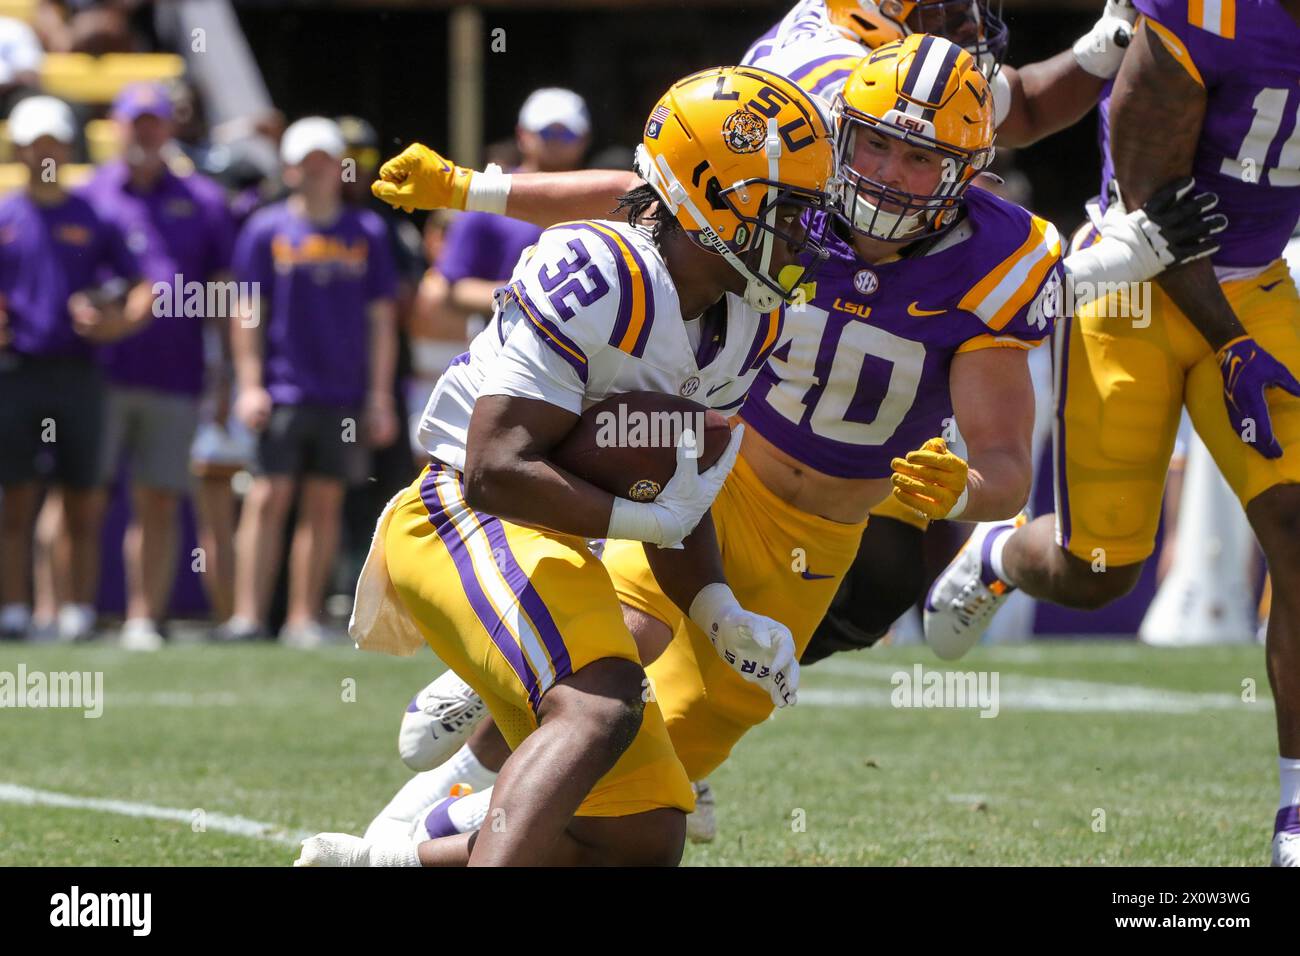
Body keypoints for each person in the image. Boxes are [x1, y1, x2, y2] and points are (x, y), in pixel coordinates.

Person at [298, 65, 838, 867]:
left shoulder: (754, 320)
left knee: (642, 834)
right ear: (708, 200)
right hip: (458, 516)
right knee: (596, 707)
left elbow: (676, 495)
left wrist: (722, 612)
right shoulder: (602, 270)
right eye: (785, 212)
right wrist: (641, 520)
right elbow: (494, 467)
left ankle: (381, 863)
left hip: (557, 541)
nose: (803, 236)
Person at [924, 1, 1300, 867]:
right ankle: (1001, 557)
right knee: (1096, 574)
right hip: (1137, 285)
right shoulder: (1206, 16)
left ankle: (1293, 803)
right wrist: (1229, 343)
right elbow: (1154, 208)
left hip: (1261, 287)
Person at [219, 116, 398, 648]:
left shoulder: (366, 232)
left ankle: (302, 618)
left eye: (326, 161)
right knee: (268, 497)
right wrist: (249, 384)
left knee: (323, 504)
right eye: (307, 162)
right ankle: (248, 617)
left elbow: (381, 319)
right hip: (282, 390)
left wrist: (379, 397)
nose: (318, 171)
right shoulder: (265, 229)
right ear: (291, 168)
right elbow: (247, 309)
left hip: (342, 393)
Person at [83, 82, 236, 651]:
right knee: (82, 495)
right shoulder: (91, 193)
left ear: (171, 128)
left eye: (156, 121)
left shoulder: (204, 200)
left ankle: (142, 617)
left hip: (176, 372)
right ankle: (66, 611)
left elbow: (224, 294)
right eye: (136, 121)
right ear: (118, 125)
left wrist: (226, 372)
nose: (146, 131)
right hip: (95, 374)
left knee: (159, 498)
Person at [0, 95, 152, 641]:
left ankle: (75, 609)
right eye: (35, 144)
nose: (45, 153)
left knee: (82, 498)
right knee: (13, 495)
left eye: (54, 143)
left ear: (67, 149)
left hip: (80, 372)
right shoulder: (5, 215)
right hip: (15, 372)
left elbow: (142, 286)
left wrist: (115, 324)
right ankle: (14, 609)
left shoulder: (93, 216)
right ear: (18, 149)